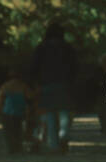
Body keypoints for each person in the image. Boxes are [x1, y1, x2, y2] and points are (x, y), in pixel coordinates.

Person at [29, 21, 77, 153]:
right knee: (64, 114)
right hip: (64, 85)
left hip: (46, 84)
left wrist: (36, 83)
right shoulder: (68, 48)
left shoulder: (41, 48)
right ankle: (64, 137)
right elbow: (75, 68)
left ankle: (54, 144)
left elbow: (33, 67)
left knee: (49, 115)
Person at [0, 69, 34, 155]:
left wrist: (2, 109)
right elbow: (30, 96)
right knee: (18, 130)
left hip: (7, 111)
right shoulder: (23, 86)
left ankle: (11, 148)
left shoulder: (5, 86)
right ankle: (18, 147)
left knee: (8, 130)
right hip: (20, 111)